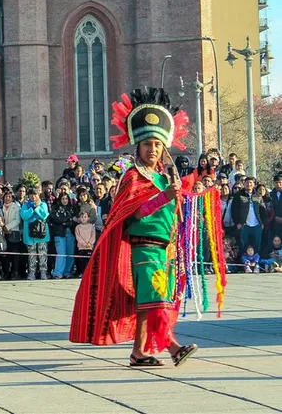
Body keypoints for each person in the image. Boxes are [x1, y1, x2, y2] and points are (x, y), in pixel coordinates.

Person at [70, 86, 199, 368]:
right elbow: (134, 212)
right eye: (147, 145)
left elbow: (174, 210)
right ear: (137, 147)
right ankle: (174, 347)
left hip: (164, 249)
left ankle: (139, 352)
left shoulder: (164, 177)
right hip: (144, 248)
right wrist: (165, 197)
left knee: (147, 304)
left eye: (157, 145)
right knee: (155, 300)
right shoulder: (132, 176)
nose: (152, 150)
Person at [231, 177, 267, 254]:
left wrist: (263, 223)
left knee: (257, 245)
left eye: (251, 182)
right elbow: (234, 210)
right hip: (244, 225)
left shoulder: (258, 196)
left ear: (254, 184)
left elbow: (263, 210)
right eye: (247, 182)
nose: (249, 184)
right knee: (243, 245)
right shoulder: (238, 195)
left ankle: (256, 263)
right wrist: (237, 223)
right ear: (244, 184)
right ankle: (244, 263)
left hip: (257, 225)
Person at [20, 188, 50, 280]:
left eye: (35, 194)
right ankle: (32, 272)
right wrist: (31, 209)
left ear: (38, 195)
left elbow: (44, 215)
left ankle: (43, 272)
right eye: (31, 195)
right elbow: (24, 216)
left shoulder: (43, 204)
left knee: (42, 253)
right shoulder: (25, 205)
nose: (33, 197)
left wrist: (37, 207)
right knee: (31, 254)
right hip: (30, 234)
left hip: (41, 234)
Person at [49, 194, 76, 279]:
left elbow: (73, 221)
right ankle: (58, 272)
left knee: (70, 253)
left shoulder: (71, 209)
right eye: (63, 199)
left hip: (70, 233)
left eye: (66, 199)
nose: (65, 200)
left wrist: (66, 221)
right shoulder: (55, 209)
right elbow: (56, 219)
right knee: (61, 253)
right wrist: (66, 220)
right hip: (59, 233)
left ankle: (67, 272)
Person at [2, 189, 21, 279]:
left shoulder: (16, 207)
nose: (7, 198)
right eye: (6, 196)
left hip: (14, 232)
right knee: (5, 254)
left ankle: (15, 272)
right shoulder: (0, 207)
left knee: (15, 254)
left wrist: (8, 227)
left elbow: (17, 220)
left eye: (9, 197)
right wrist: (4, 228)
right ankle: (6, 272)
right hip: (3, 233)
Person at [271, 174, 282, 240]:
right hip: (274, 221)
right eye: (276, 183)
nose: (278, 184)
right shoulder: (271, 194)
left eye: (280, 182)